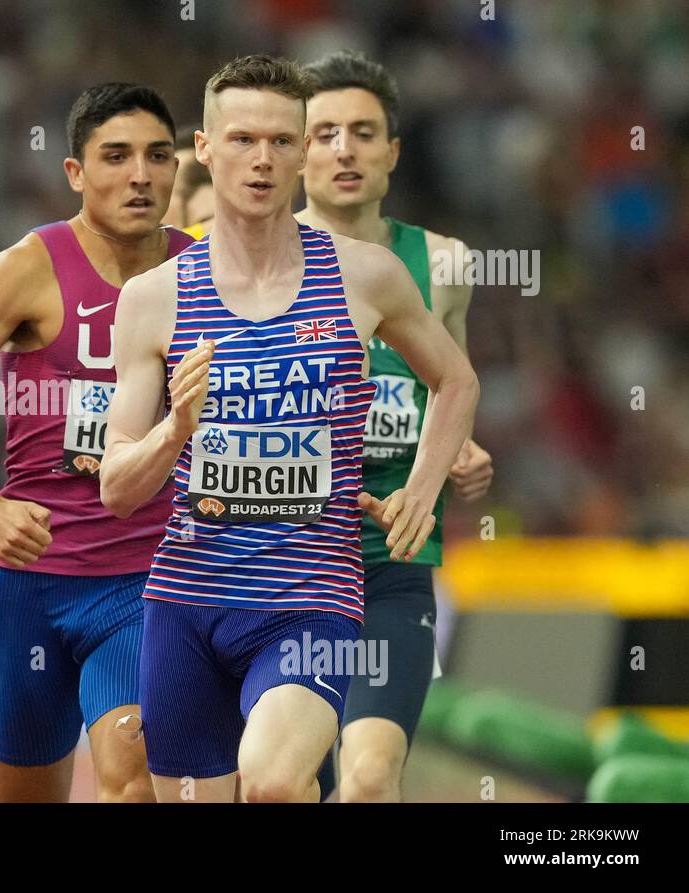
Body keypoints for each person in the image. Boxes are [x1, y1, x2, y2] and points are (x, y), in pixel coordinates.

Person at [99, 54, 479, 803]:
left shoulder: (367, 276)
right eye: (241, 140)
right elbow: (115, 486)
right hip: (188, 599)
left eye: (281, 141)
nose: (262, 160)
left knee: (273, 781)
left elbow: (456, 379)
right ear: (202, 152)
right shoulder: (153, 298)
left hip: (313, 593)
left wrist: (421, 489)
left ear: (304, 151)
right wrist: (175, 429)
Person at [0, 83, 193, 802]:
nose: (140, 175)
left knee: (131, 781)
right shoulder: (29, 268)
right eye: (115, 157)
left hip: (145, 579)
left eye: (157, 156)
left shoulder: (203, 272)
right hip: (27, 579)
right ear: (75, 173)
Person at [297, 50, 493, 803]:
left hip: (391, 563)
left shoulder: (442, 264)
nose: (344, 149)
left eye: (364, 132)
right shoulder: (257, 262)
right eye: (324, 133)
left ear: (393, 151)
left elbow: (452, 392)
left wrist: (462, 456)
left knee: (371, 777)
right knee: (288, 781)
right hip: (280, 562)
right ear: (298, 149)